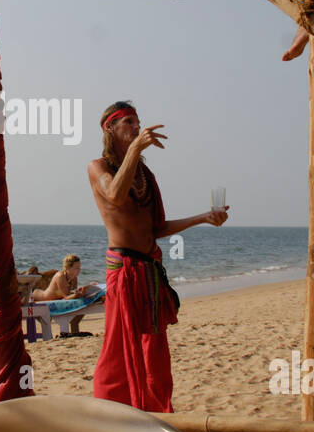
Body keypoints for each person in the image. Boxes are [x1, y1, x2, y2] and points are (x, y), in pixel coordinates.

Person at [87, 101, 229, 412]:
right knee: (119, 346)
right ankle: (112, 413)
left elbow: (158, 227)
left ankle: (156, 411)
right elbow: (114, 195)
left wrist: (203, 217)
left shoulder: (146, 175)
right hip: (123, 269)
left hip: (150, 269)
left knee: (155, 350)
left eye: (137, 122)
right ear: (110, 129)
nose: (136, 127)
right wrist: (135, 150)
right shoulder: (98, 167)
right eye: (128, 122)